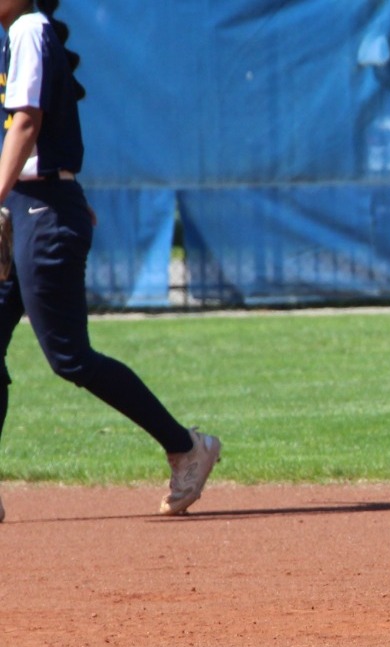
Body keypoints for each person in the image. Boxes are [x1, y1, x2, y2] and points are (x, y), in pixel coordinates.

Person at [0, 0, 221, 523]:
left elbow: (28, 123)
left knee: (69, 357)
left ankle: (185, 446)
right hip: (27, 206)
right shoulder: (17, 34)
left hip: (38, 209)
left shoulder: (30, 26)